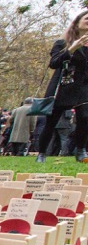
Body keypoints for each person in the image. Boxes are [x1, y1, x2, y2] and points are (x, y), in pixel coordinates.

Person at [37, 10, 88, 162]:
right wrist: (72, 48)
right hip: (64, 85)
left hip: (83, 87)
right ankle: (41, 153)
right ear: (77, 22)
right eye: (87, 18)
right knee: (51, 121)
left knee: (85, 118)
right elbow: (54, 63)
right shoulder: (62, 43)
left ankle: (81, 151)